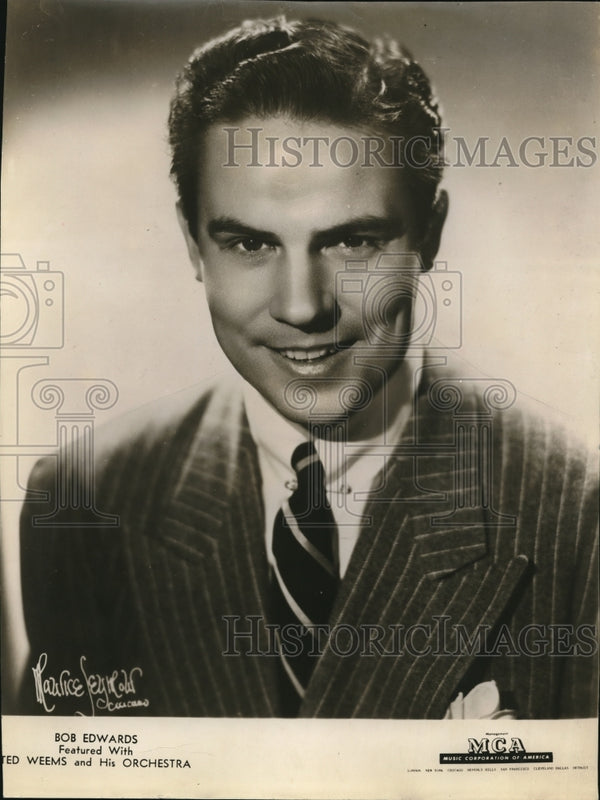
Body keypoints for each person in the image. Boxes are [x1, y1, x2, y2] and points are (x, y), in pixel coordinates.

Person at [17, 16, 597, 718]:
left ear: (431, 236)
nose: (301, 307)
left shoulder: (575, 514)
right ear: (193, 246)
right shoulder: (86, 504)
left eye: (352, 242)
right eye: (249, 243)